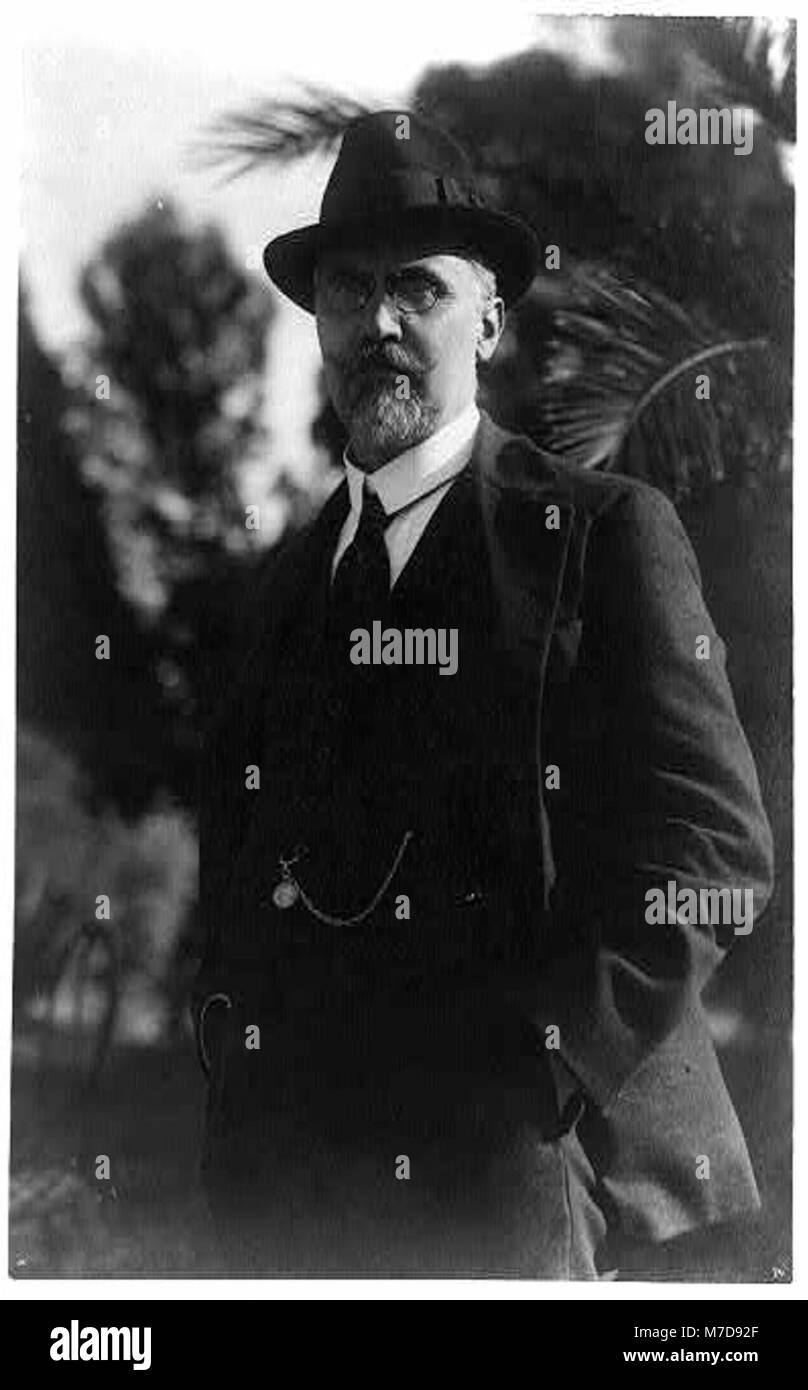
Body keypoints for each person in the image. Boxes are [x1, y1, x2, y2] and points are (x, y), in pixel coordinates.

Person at [192, 110, 774, 1278]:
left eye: (418, 288)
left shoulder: (601, 538)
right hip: (302, 1185)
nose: (382, 324)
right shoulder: (280, 590)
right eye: (349, 293)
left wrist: (546, 1061)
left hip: (537, 1170)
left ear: (492, 319)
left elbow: (713, 852)